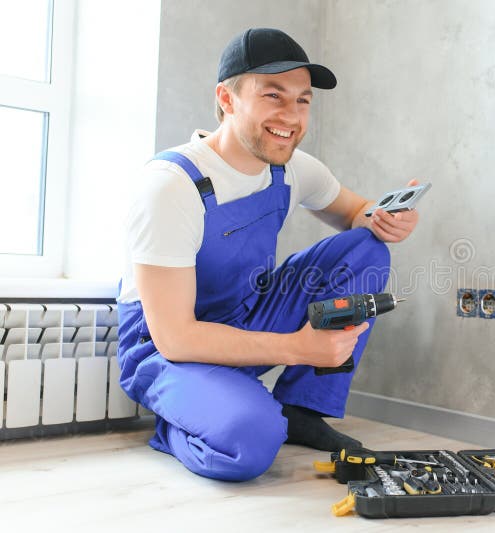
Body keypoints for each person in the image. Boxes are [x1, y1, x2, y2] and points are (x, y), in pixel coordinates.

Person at [116, 28, 420, 482]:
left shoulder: (293, 169)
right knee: (250, 445)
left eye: (303, 100)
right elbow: (176, 337)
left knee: (364, 249)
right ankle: (181, 423)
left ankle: (301, 410)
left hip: (246, 315)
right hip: (167, 349)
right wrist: (297, 348)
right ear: (227, 98)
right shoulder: (171, 185)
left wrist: (386, 218)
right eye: (273, 95)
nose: (291, 115)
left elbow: (358, 213)